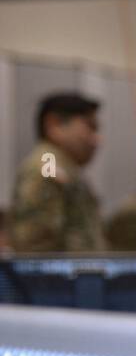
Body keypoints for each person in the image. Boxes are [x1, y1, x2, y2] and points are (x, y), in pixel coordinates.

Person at [10, 92, 105, 253]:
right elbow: (36, 250)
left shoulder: (61, 167)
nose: (97, 139)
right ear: (54, 124)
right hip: (59, 277)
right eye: (90, 127)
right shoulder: (48, 165)